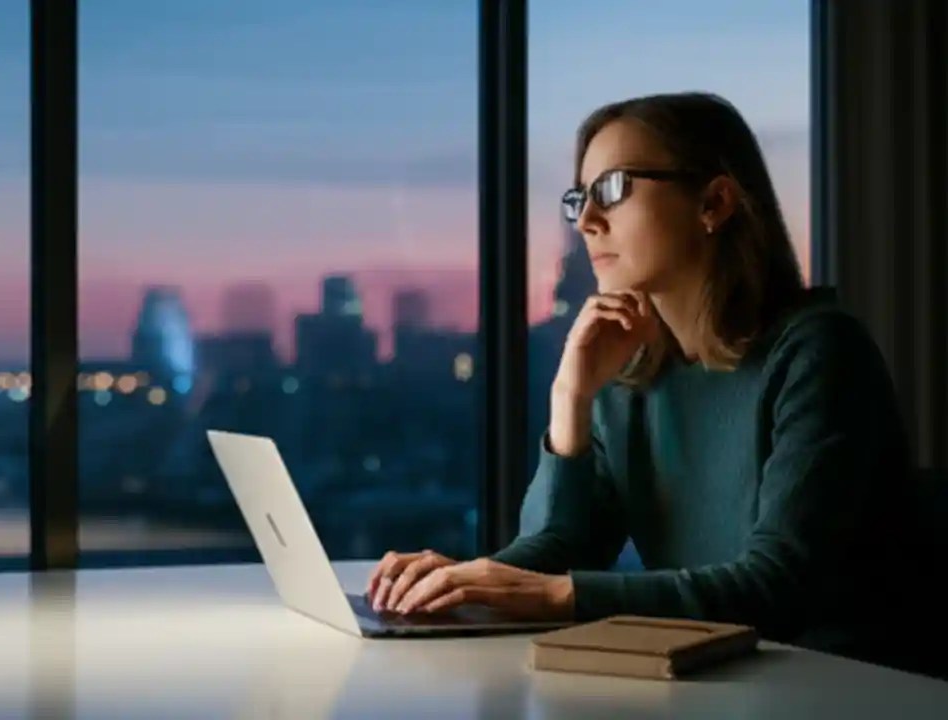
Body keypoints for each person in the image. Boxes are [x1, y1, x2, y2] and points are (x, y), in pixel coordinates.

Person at [365, 91, 914, 662]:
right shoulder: (634, 375)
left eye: (613, 189)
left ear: (715, 203)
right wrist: (570, 398)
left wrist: (555, 594)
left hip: (835, 689)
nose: (586, 221)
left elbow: (777, 587)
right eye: (579, 198)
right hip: (709, 684)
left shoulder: (819, 352)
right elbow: (565, 548)